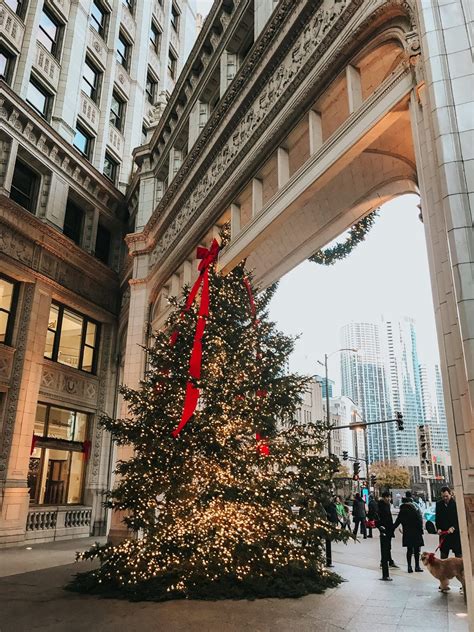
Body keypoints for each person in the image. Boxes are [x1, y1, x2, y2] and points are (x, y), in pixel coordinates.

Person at [393, 496, 424, 572]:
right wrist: (421, 531)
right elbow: (419, 521)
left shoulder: (402, 512)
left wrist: (391, 529)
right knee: (417, 550)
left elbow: (397, 522)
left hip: (407, 532)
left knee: (409, 550)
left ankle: (409, 567)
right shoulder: (414, 510)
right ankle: (417, 566)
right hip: (416, 532)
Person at [435, 486, 462, 559]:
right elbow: (437, 519)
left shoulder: (456, 504)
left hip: (455, 534)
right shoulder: (438, 504)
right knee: (443, 557)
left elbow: (460, 519)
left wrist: (454, 527)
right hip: (444, 534)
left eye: (446, 496)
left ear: (450, 494)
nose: (445, 498)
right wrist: (438, 528)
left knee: (458, 557)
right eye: (443, 496)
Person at [377, 491, 395, 581]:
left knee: (388, 547)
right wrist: (380, 526)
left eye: (389, 497)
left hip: (389, 529)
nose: (388, 499)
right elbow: (377, 517)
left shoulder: (387, 505)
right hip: (384, 530)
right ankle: (384, 565)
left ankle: (388, 561)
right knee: (385, 548)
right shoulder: (380, 505)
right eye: (387, 497)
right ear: (383, 498)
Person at [324, 497, 339, 567]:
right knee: (328, 542)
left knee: (328, 542)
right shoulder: (332, 506)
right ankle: (329, 561)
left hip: (328, 524)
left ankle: (328, 561)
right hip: (331, 523)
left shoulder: (327, 507)